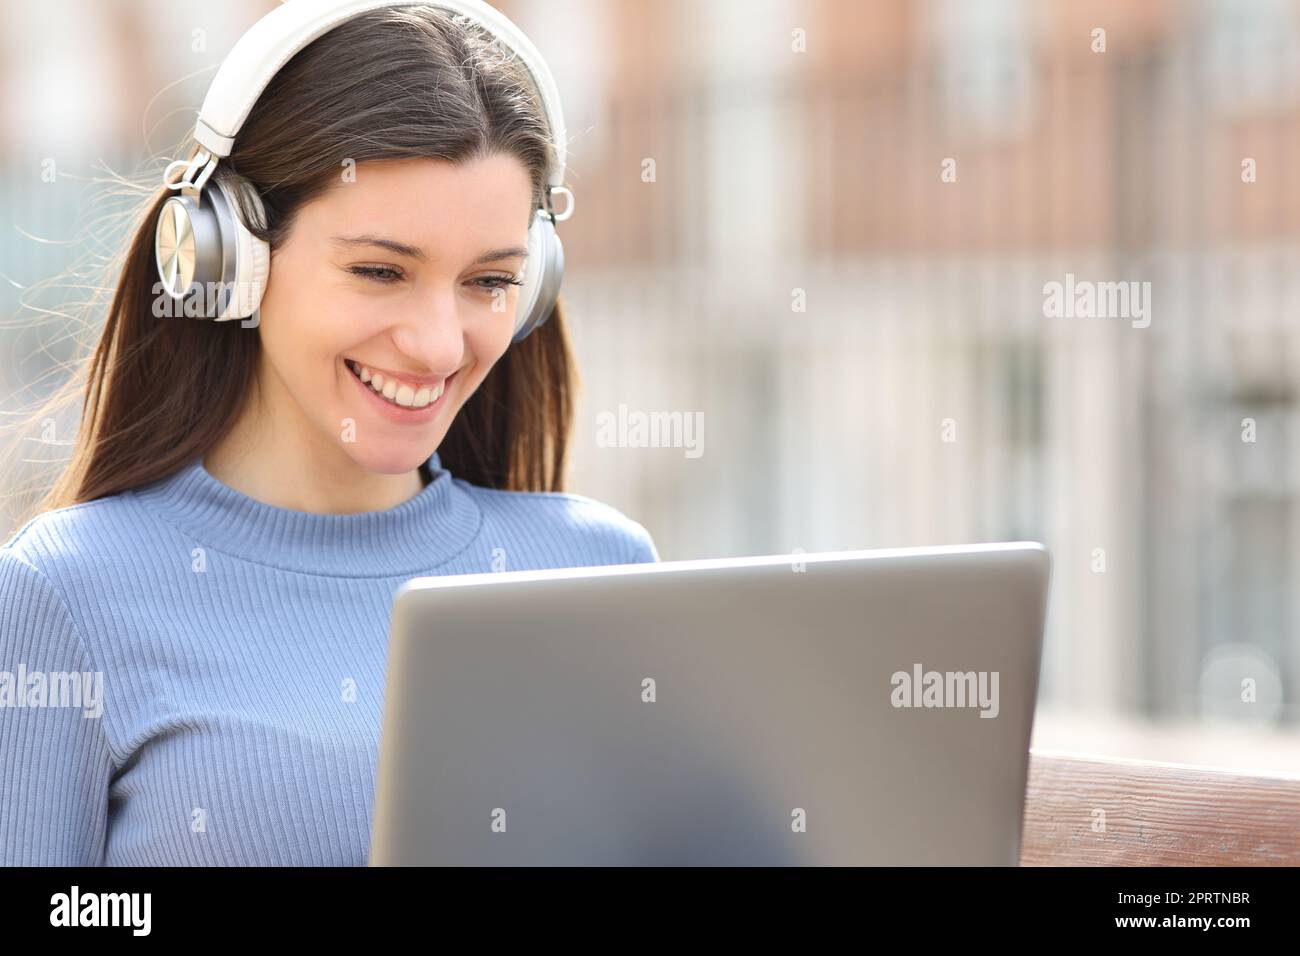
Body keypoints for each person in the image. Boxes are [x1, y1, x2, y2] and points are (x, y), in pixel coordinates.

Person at [0, 0, 658, 865]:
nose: (436, 343)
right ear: (225, 255)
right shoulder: (67, 596)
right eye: (380, 271)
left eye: (488, 281)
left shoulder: (603, 573)